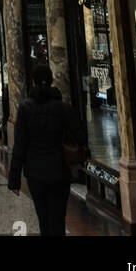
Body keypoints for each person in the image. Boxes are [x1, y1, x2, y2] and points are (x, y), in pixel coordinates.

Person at [8, 64, 86, 237]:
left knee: (44, 220)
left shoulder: (25, 109)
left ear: (33, 83)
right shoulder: (63, 108)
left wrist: (14, 179)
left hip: (36, 174)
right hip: (59, 171)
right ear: (51, 81)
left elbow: (19, 146)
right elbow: (81, 136)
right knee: (58, 220)